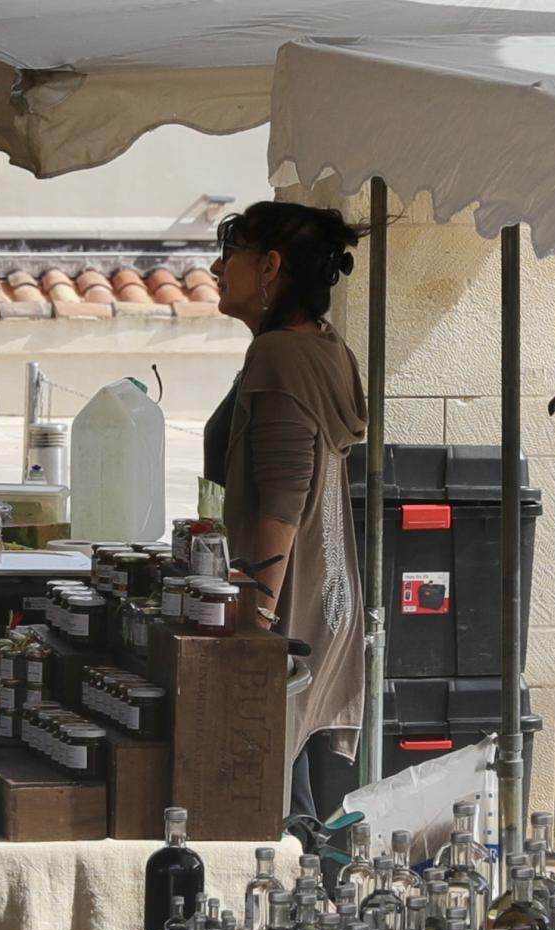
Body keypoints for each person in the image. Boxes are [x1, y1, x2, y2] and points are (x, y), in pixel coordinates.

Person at [203, 201, 368, 817]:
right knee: (287, 795)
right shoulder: (323, 347)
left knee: (268, 806)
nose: (217, 268)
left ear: (269, 266)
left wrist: (255, 623)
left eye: (231, 253)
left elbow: (283, 495)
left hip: (289, 604)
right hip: (325, 596)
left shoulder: (278, 357)